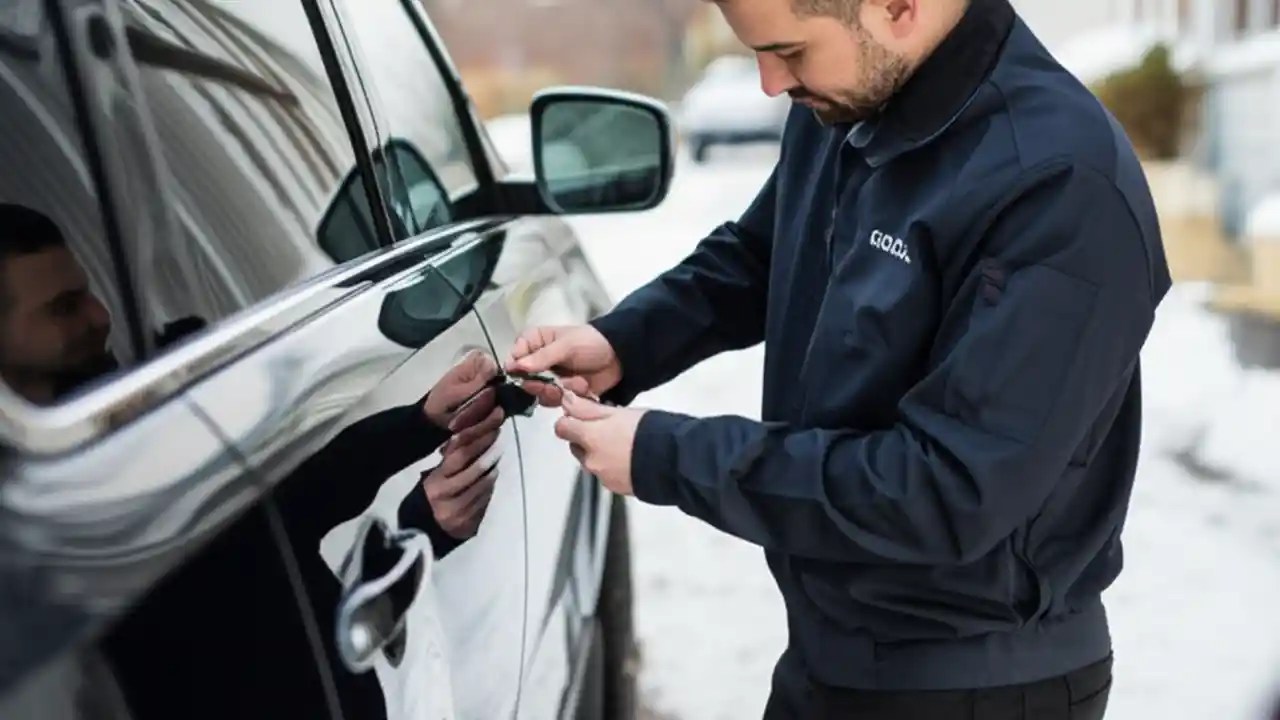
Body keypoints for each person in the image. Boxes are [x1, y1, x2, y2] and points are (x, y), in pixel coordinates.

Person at [506, 0, 1171, 718]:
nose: (769, 83)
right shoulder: (849, 97)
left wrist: (666, 455)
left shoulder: (1058, 184)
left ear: (899, 7)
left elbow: (946, 491)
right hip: (830, 656)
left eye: (789, 52)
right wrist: (626, 343)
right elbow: (764, 253)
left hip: (974, 684)